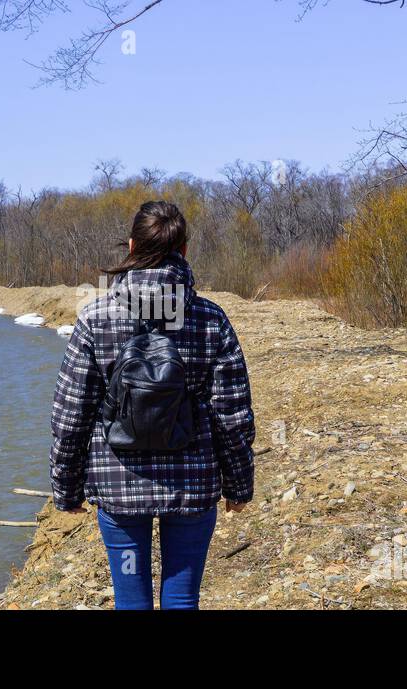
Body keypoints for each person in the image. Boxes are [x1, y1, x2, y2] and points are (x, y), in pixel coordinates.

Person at [49, 200, 256, 610]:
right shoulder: (209, 319)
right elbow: (232, 416)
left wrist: (66, 489)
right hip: (192, 486)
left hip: (118, 484)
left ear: (130, 247)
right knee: (181, 599)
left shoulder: (96, 318)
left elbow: (71, 415)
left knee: (131, 600)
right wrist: (238, 486)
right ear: (184, 251)